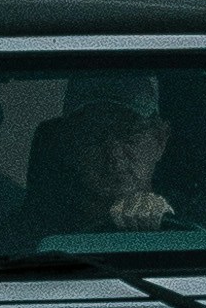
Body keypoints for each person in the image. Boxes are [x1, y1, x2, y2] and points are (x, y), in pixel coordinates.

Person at [37, 72, 181, 240]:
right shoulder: (38, 231)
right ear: (71, 145)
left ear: (160, 140)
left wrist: (165, 223)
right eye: (94, 135)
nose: (113, 153)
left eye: (129, 132)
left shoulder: (194, 217)